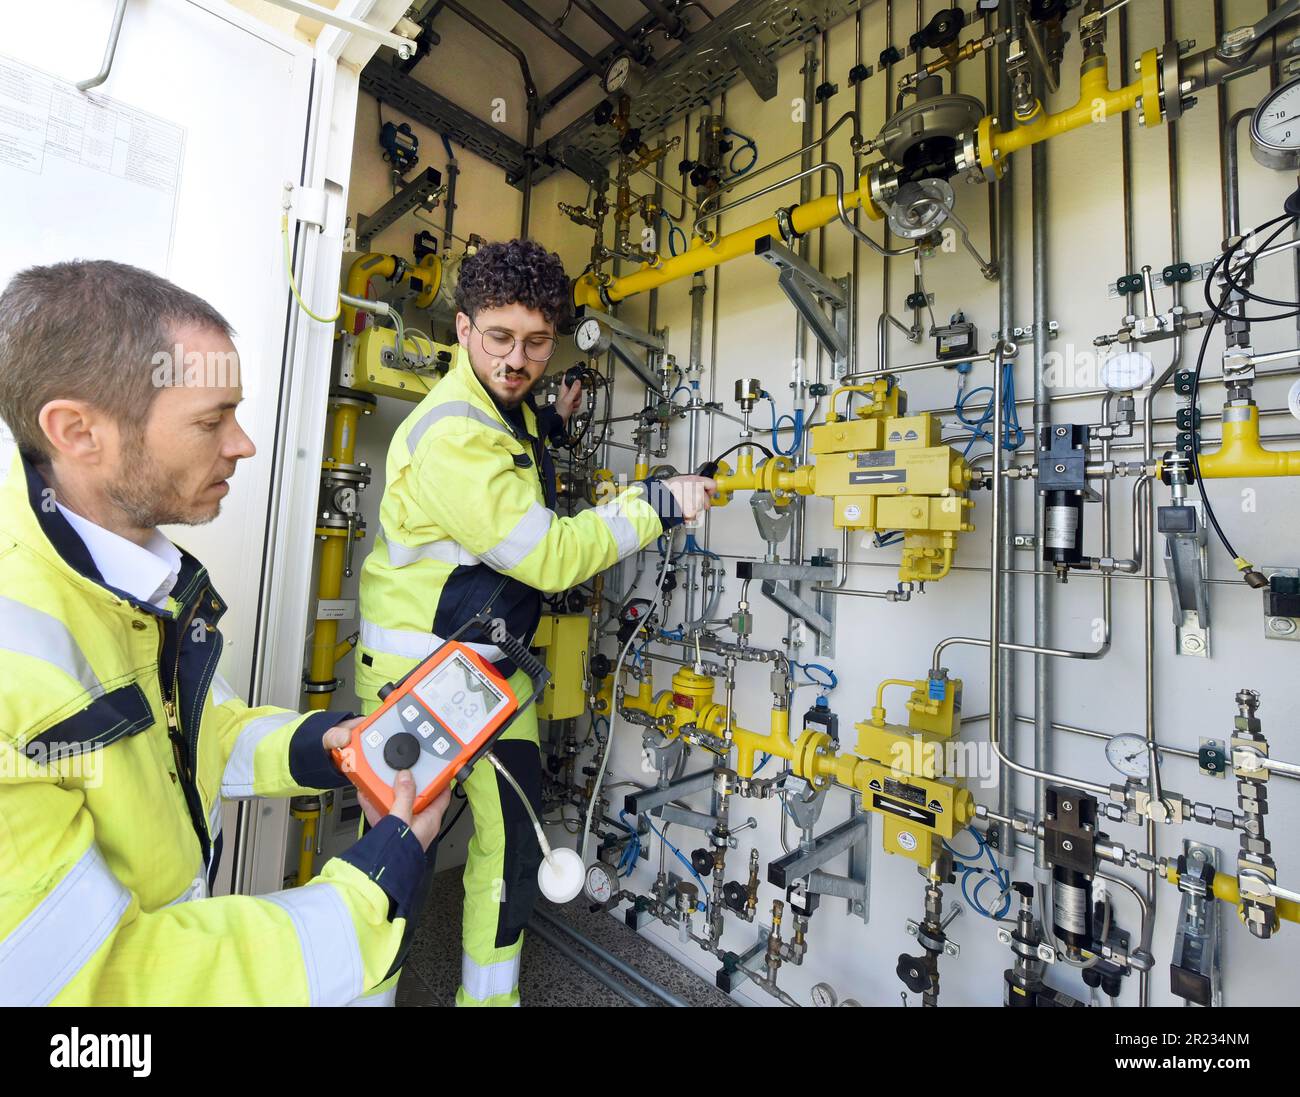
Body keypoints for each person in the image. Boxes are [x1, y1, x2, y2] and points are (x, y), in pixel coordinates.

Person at [0, 260, 449, 1006]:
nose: (242, 444)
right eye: (212, 421)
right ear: (77, 431)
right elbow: (96, 984)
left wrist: (326, 746)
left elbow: (193, 735)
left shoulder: (130, 576)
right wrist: (374, 888)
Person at [355, 238, 714, 1006]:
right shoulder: (454, 432)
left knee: (515, 851)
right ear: (463, 327)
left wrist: (551, 417)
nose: (517, 360)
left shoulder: (504, 408)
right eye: (499, 338)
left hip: (491, 674)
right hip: (417, 678)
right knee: (395, 861)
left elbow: (515, 443)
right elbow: (549, 556)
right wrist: (657, 503)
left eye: (537, 342)